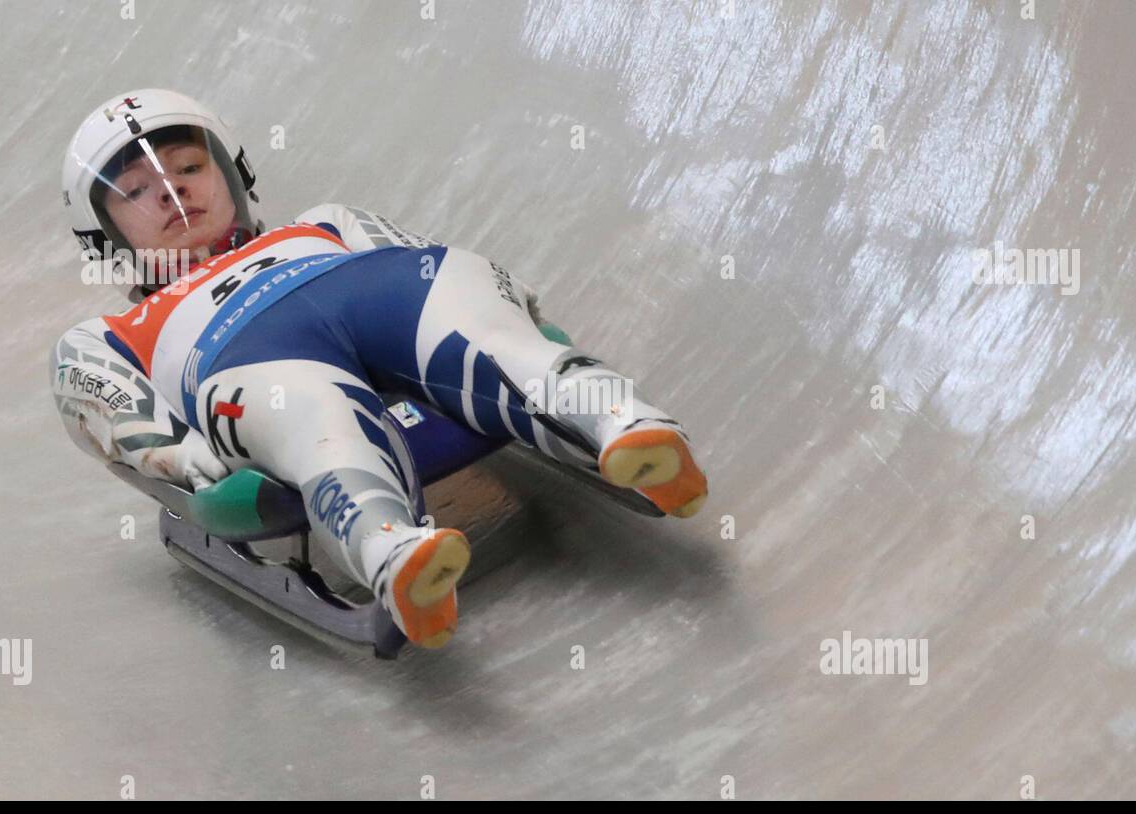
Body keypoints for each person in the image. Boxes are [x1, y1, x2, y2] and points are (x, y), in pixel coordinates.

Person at [52, 89, 708, 649]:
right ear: (103, 234)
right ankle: (393, 552)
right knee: (310, 414)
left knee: (464, 318)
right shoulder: (113, 332)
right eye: (137, 192)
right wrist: (181, 457)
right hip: (242, 353)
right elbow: (106, 405)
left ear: (232, 171)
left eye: (190, 165)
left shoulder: (324, 223)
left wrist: (507, 304)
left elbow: (432, 262)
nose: (173, 193)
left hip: (365, 284)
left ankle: (626, 425)